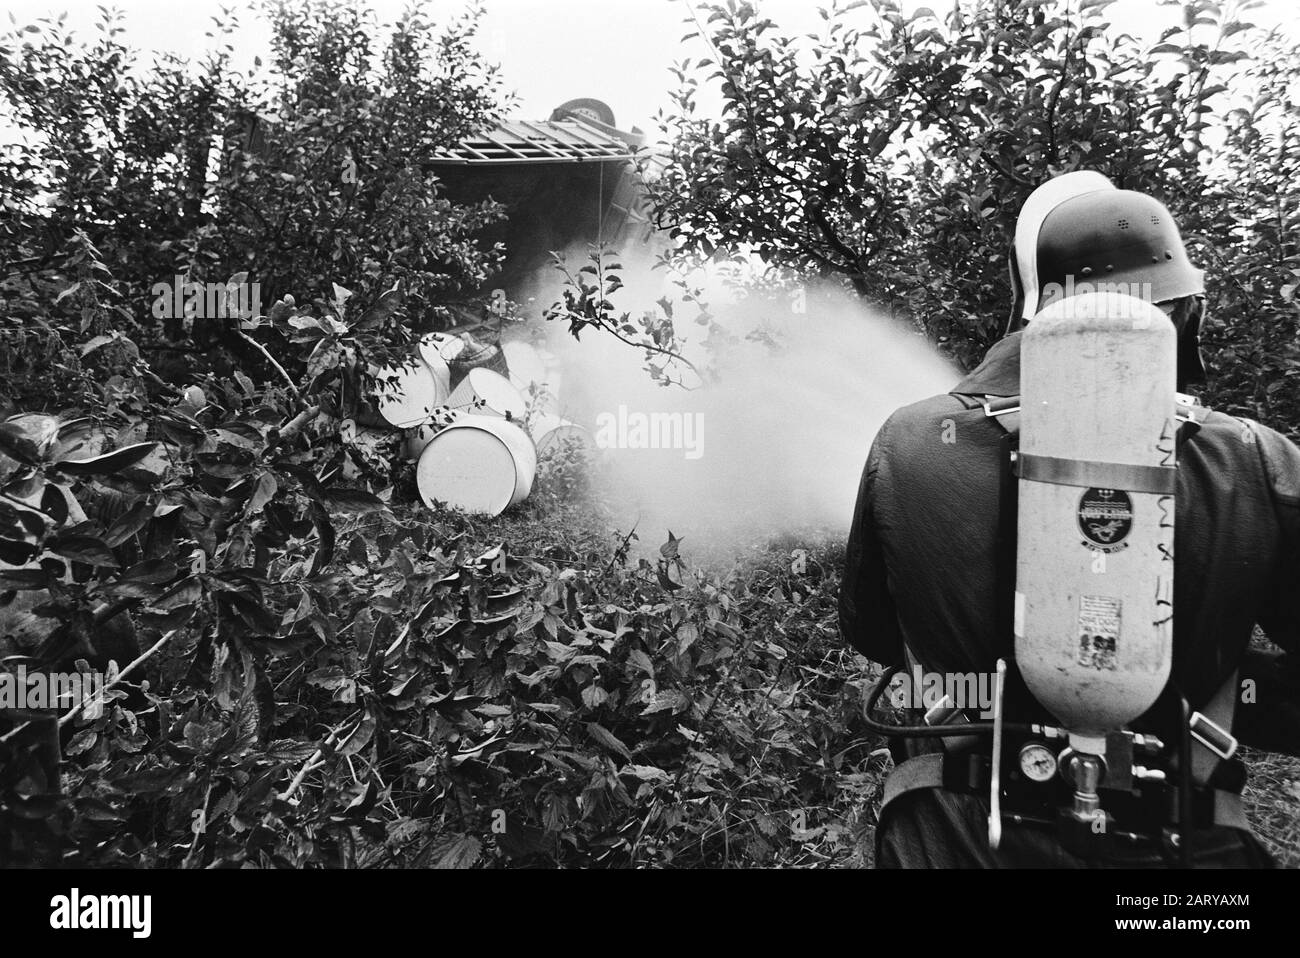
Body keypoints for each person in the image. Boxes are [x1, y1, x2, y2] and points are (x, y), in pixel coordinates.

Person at [839, 175, 1300, 867]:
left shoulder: (910, 442)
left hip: (959, 839)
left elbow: (873, 632)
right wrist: (1214, 666)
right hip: (1184, 849)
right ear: (1180, 314)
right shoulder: (1258, 460)